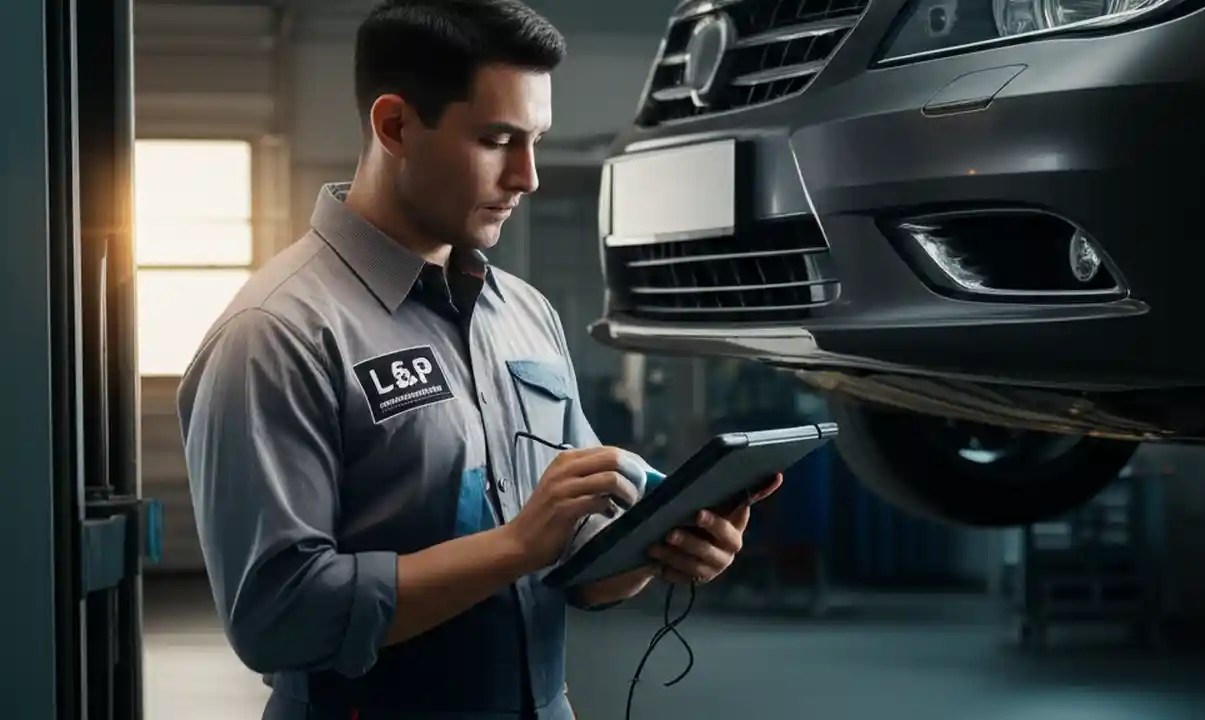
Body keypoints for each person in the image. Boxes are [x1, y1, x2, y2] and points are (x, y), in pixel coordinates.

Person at [175, 1, 783, 718]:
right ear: (395, 125)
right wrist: (516, 546)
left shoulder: (524, 315)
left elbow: (577, 565)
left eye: (535, 140)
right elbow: (278, 618)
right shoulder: (275, 335)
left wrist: (657, 549)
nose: (527, 176)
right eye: (498, 140)